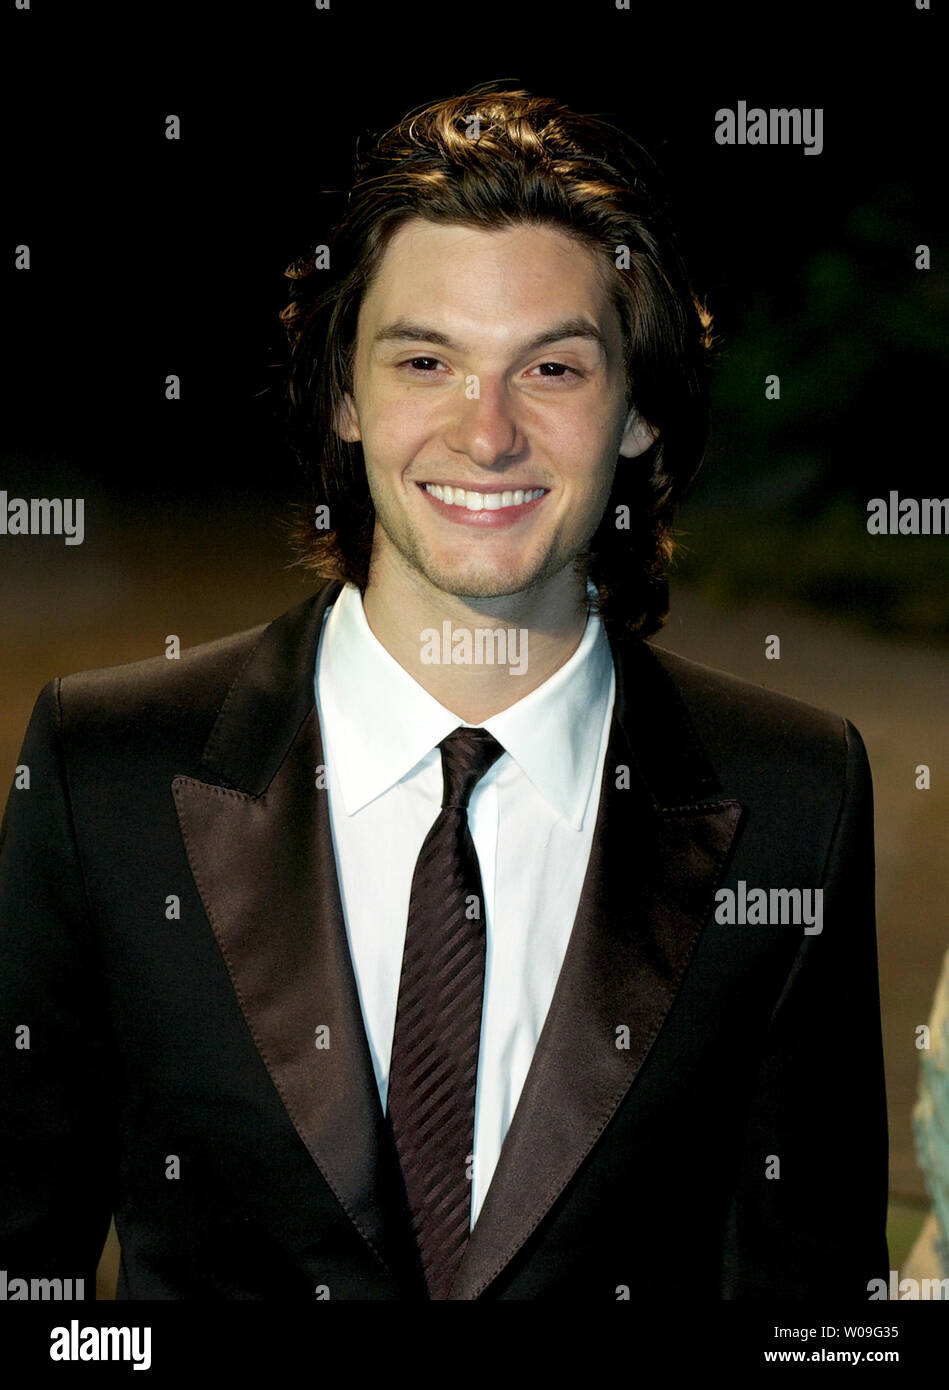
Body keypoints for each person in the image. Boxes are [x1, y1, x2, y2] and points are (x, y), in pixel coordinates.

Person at [0, 81, 888, 1300]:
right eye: (428, 360)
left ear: (636, 414)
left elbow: (812, 1311)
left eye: (554, 369)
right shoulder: (106, 767)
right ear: (346, 398)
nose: (486, 433)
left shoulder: (796, 790)